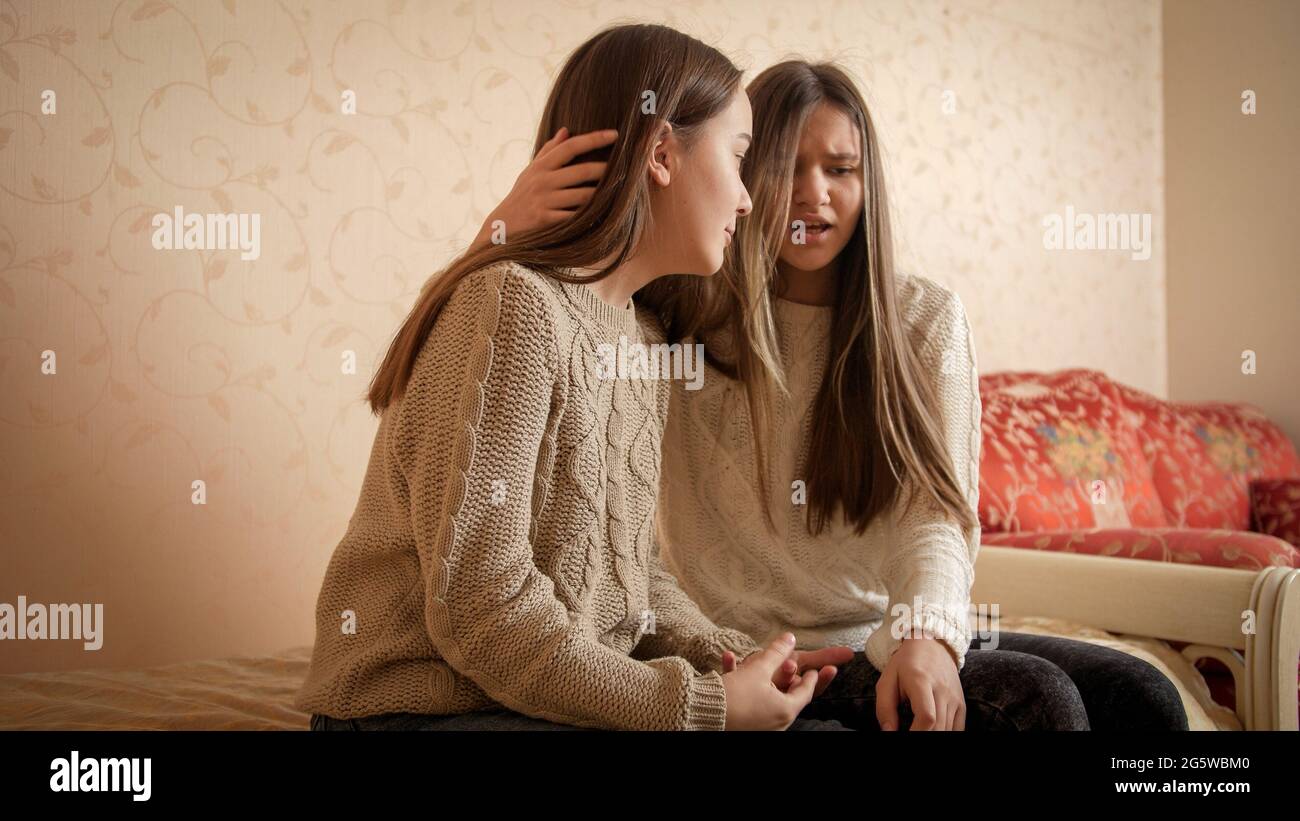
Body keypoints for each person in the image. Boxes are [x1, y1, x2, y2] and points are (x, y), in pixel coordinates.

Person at [297, 24, 855, 732]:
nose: (747, 200)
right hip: (413, 709)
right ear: (661, 153)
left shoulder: (639, 335)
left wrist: (739, 660)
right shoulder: (515, 306)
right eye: (739, 157)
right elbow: (482, 608)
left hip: (527, 698)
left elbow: (631, 581)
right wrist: (700, 704)